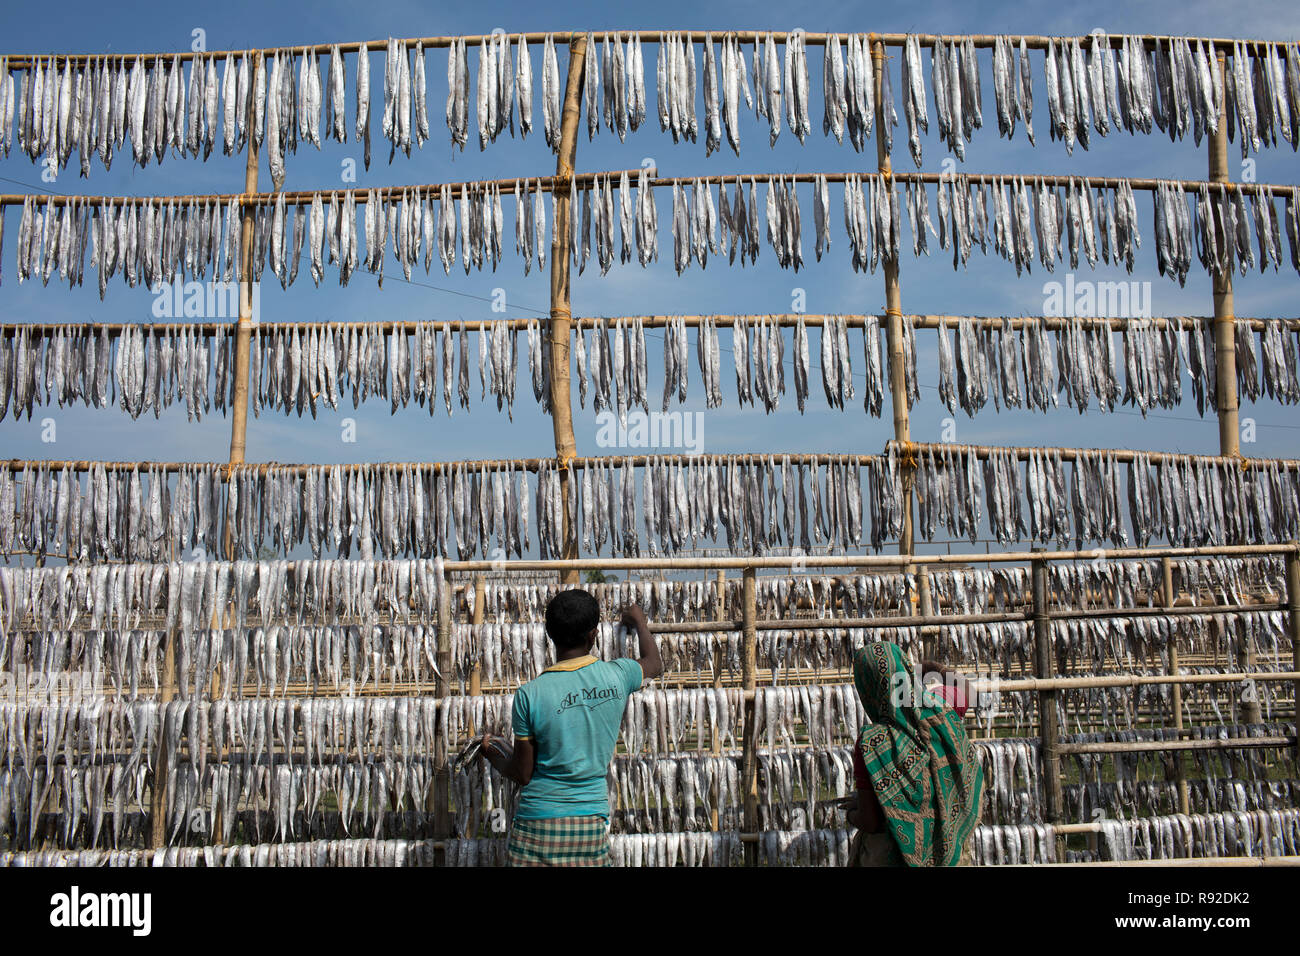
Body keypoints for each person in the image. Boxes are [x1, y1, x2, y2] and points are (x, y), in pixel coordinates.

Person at [479, 590, 662, 866]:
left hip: (536, 827)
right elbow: (654, 664)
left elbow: (522, 773)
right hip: (589, 824)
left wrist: (492, 752)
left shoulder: (529, 694)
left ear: (549, 635)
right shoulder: (618, 676)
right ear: (594, 635)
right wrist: (639, 623)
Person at [842, 642, 984, 866]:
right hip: (948, 854)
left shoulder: (872, 744)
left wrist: (851, 812)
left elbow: (870, 821)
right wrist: (930, 667)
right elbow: (967, 689)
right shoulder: (943, 713)